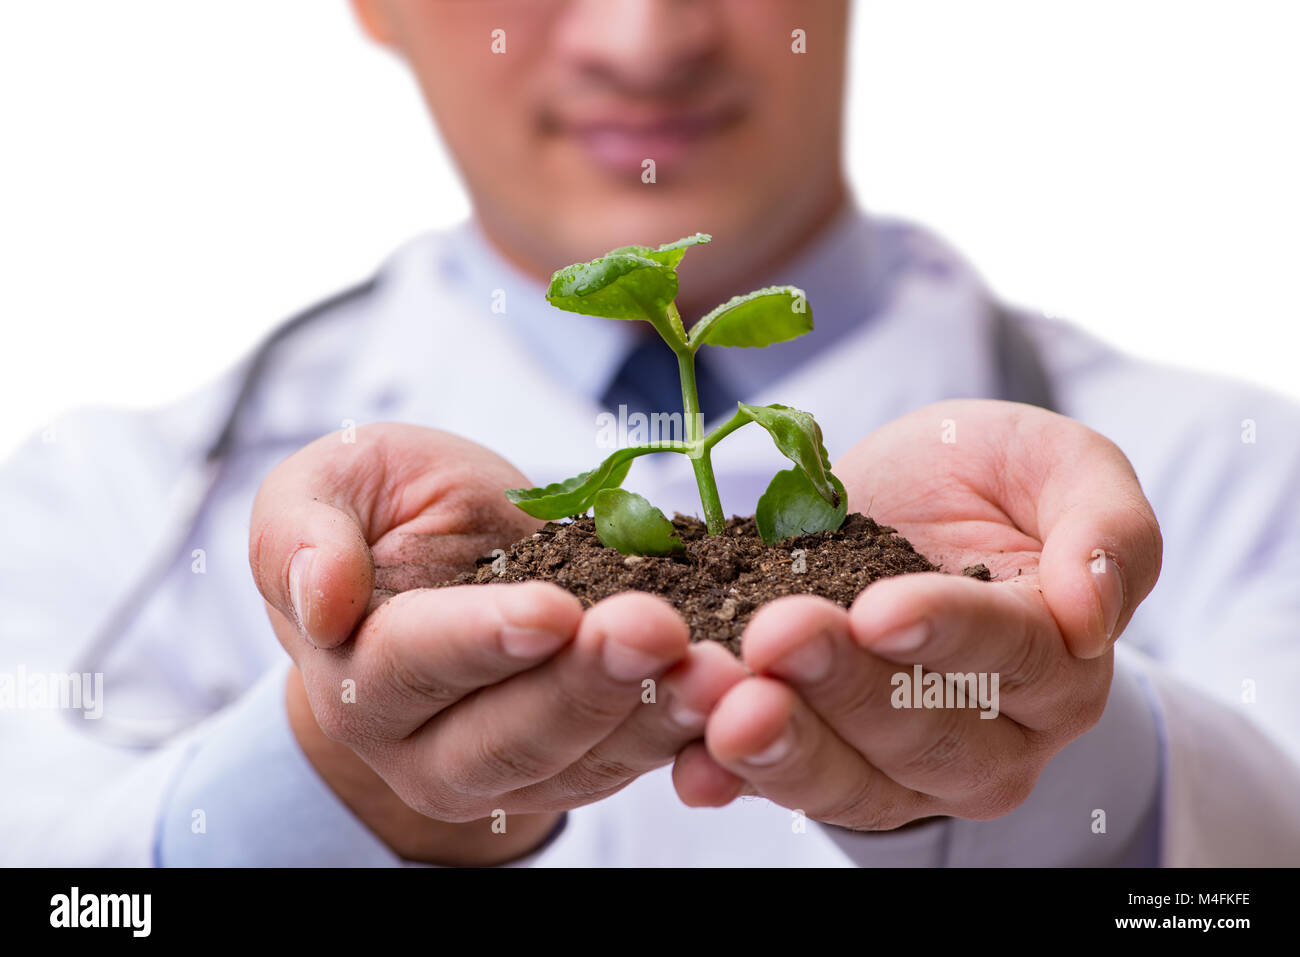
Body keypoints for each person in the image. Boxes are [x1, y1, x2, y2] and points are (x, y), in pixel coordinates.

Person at [3, 0, 1298, 867]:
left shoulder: (1228, 468)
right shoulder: (113, 502)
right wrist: (342, 780)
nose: (643, 37)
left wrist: (1058, 748)